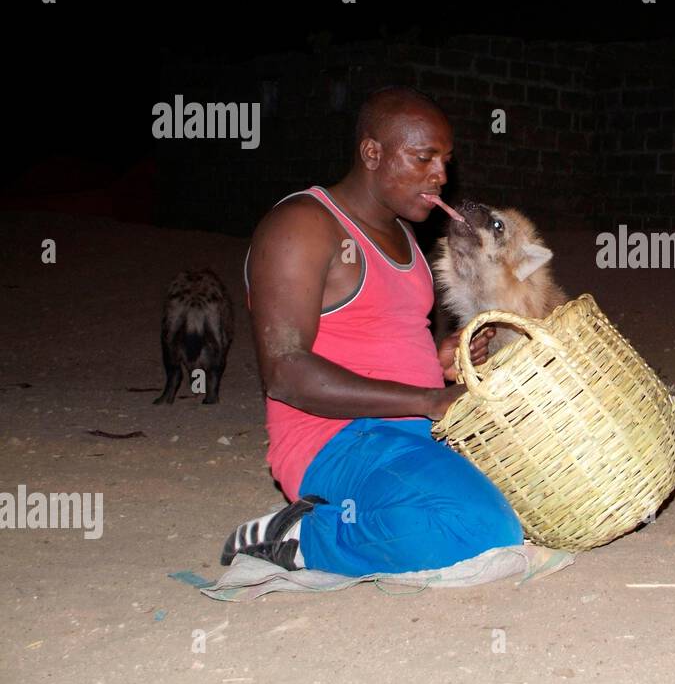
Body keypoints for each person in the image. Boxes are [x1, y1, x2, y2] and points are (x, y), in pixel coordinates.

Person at [220, 85, 526, 576]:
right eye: (424, 157)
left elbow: (376, 346)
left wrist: (442, 361)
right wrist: (427, 399)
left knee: (526, 500)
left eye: (445, 160)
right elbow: (284, 371)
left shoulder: (404, 237)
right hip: (336, 441)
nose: (441, 175)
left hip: (409, 433)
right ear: (371, 152)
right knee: (482, 533)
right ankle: (303, 538)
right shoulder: (302, 226)